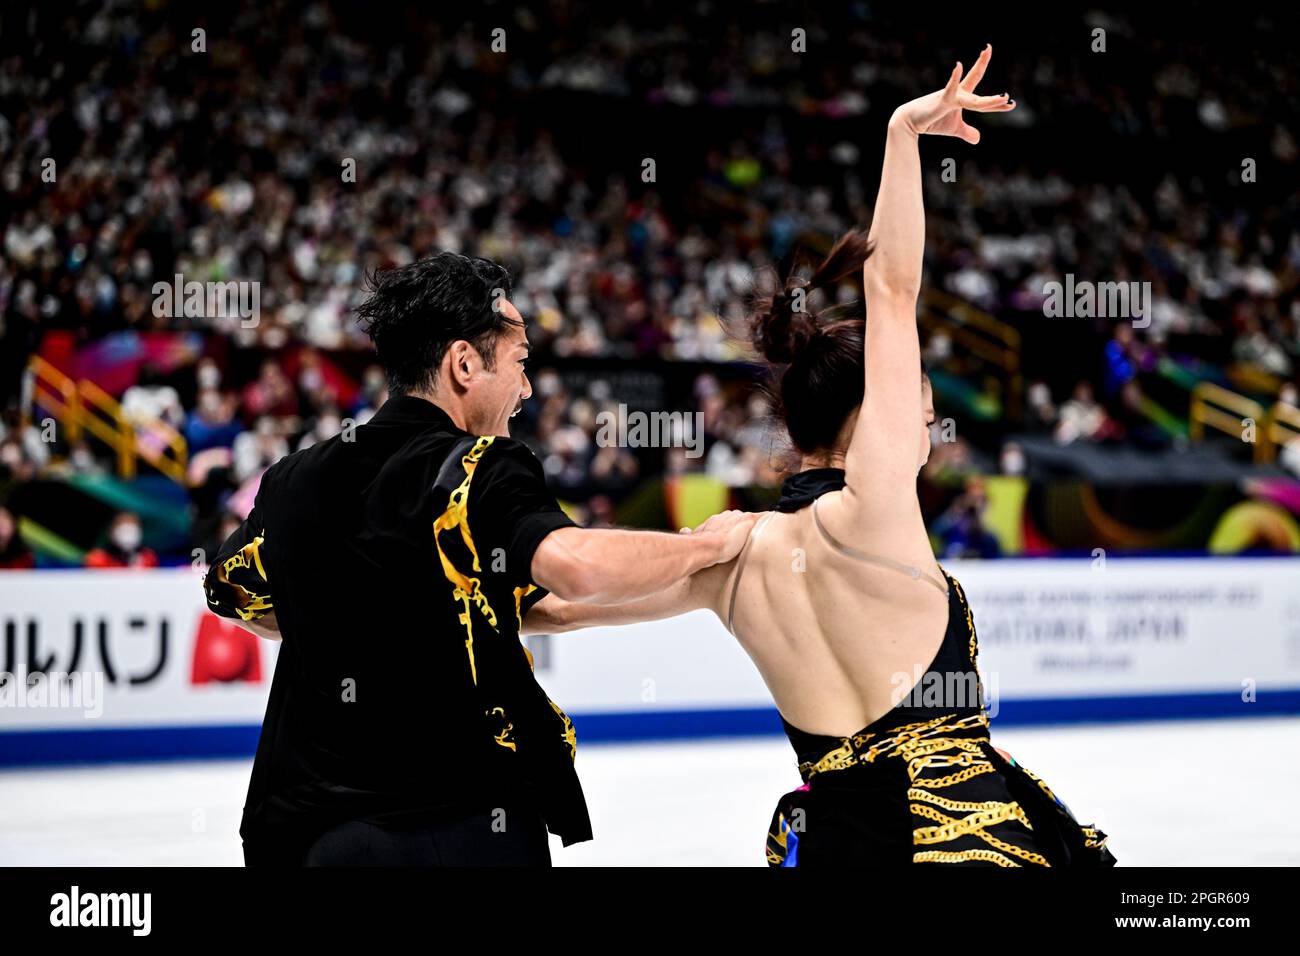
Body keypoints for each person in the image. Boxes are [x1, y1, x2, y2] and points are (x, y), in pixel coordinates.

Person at [524, 47, 1115, 867]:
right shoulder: (872, 508)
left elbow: (555, 610)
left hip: (840, 845)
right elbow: (893, 292)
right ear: (875, 417)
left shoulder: (734, 555)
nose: (927, 428)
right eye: (922, 410)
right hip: (959, 842)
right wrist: (904, 133)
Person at [202, 252, 755, 866]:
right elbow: (576, 567)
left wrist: (705, 589)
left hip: (308, 839)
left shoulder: (293, 479)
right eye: (519, 363)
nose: (525, 388)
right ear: (464, 363)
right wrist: (706, 546)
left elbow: (232, 592)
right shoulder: (475, 466)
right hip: (457, 828)